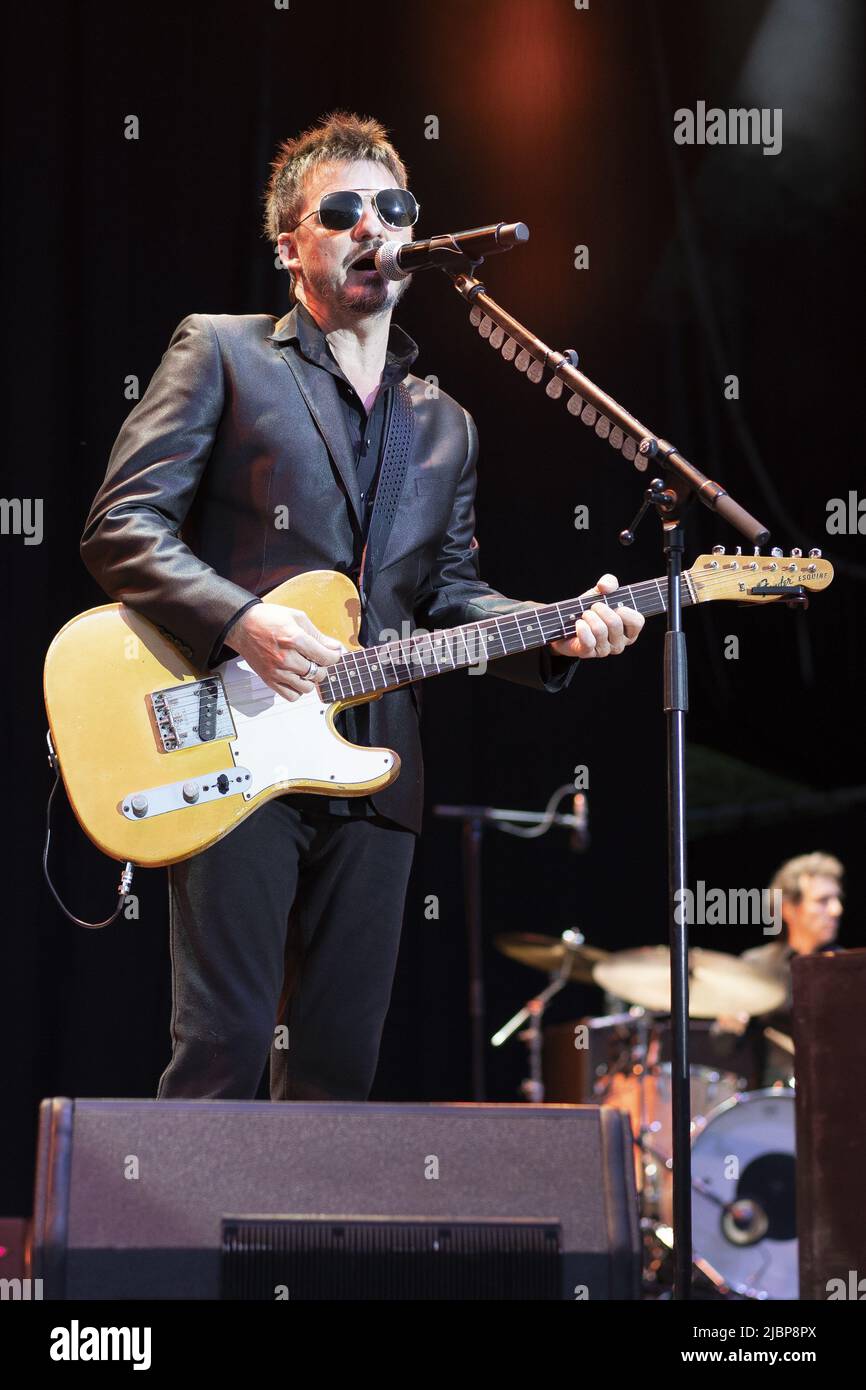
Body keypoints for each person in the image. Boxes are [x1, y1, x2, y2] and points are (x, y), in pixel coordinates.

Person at [79, 111, 645, 1102]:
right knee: (228, 1040)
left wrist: (552, 627)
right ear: (289, 244)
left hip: (374, 765)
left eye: (394, 209)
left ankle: (288, 1264)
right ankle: (170, 1261)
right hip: (228, 743)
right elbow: (120, 527)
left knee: (336, 1069)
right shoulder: (225, 353)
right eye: (339, 211)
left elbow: (447, 596)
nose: (371, 226)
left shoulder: (441, 425)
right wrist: (239, 619)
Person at [715, 851, 844, 1085]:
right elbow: (722, 1047)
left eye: (837, 899)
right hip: (773, 1100)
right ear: (788, 909)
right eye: (823, 901)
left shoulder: (848, 969)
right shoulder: (757, 966)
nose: (836, 910)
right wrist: (730, 1024)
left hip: (839, 1092)